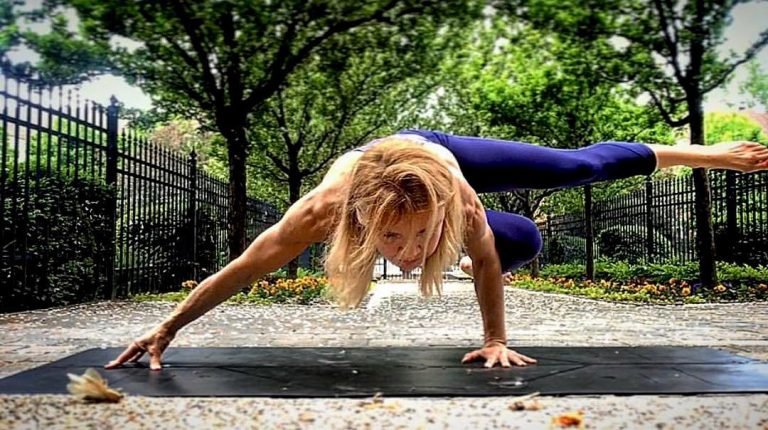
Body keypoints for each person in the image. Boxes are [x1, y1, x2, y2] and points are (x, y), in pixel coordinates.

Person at [105, 130, 768, 371]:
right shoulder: (320, 212)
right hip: (385, 172)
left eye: (422, 240)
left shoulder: (462, 204)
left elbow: (483, 262)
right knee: (517, 239)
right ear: (360, 220)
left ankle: (701, 151)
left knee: (562, 183)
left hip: (444, 161)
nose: (409, 254)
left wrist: (495, 337)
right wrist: (166, 326)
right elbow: (241, 270)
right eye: (393, 240)